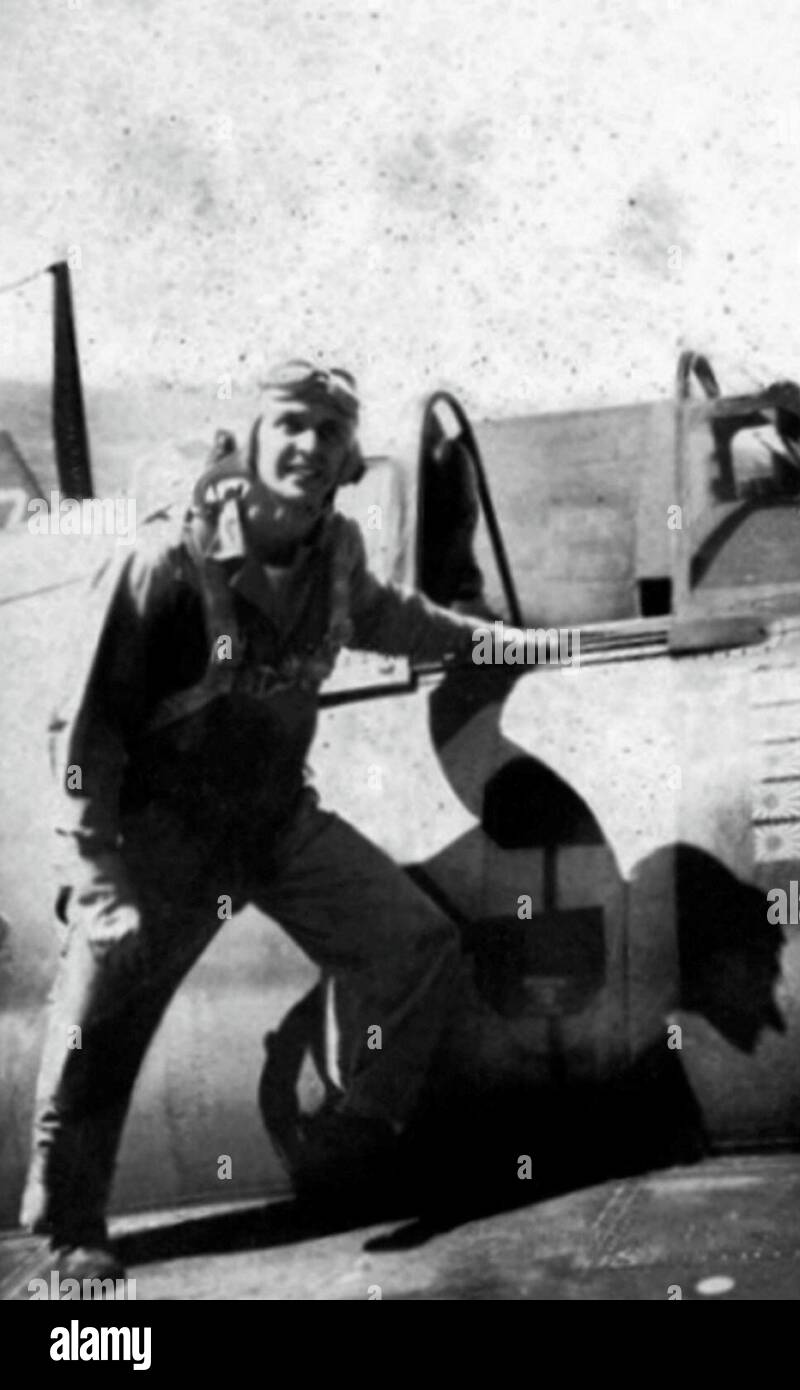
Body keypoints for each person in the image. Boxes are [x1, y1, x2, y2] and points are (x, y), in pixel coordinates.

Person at [20, 359, 502, 1281]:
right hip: (159, 846)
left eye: (329, 432)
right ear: (247, 440)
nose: (310, 447)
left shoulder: (334, 553)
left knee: (411, 941)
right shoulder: (167, 561)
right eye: (290, 424)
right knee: (95, 1028)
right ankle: (67, 1233)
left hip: (274, 825)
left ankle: (349, 1139)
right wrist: (100, 881)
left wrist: (496, 644)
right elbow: (87, 732)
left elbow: (391, 618)